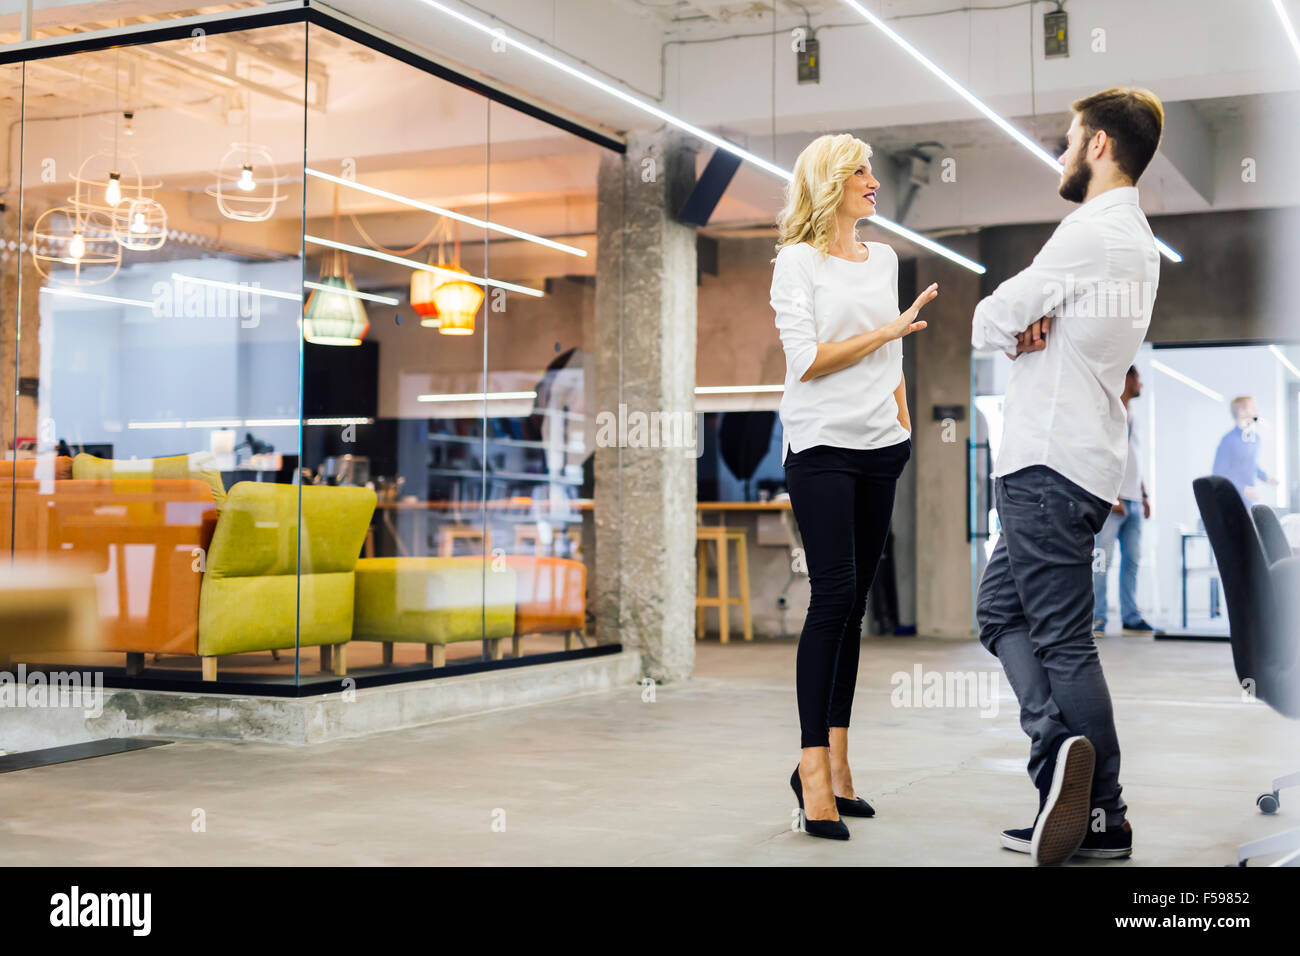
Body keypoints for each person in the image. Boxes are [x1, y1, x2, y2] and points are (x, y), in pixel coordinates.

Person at [971, 87, 1165, 864]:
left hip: (1048, 462)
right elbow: (1024, 319)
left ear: (1099, 146)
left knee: (1060, 640)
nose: (1060, 154)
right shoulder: (1134, 236)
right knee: (998, 612)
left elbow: (991, 318)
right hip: (1075, 462)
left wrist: (1018, 327)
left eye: (1067, 139)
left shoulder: (1090, 231)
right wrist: (1031, 324)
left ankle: (1098, 811)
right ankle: (1065, 770)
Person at [770, 132, 937, 840]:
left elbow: (892, 352)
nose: (874, 180)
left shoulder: (885, 258)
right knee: (832, 597)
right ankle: (810, 770)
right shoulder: (795, 264)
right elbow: (807, 360)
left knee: (857, 604)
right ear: (830, 184)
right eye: (861, 171)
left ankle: (838, 764)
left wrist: (901, 425)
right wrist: (887, 333)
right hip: (821, 448)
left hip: (879, 448)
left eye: (872, 170)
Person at [1092, 366, 1161, 636]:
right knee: (1102, 561)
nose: (1140, 382)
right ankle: (1097, 619)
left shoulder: (1133, 415)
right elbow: (1100, 455)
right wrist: (1111, 494)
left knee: (1132, 561)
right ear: (1127, 379)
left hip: (1133, 499)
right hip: (1113, 502)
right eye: (1138, 378)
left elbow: (1133, 460)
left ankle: (1131, 618)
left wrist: (1143, 495)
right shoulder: (1109, 413)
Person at [1212, 396, 1278, 505]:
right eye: (1252, 408)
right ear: (1241, 411)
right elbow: (1219, 473)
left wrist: (1267, 478)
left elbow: (1251, 465)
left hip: (1249, 500)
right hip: (1232, 499)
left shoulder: (1255, 439)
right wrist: (1243, 489)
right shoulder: (1228, 440)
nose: (1256, 412)